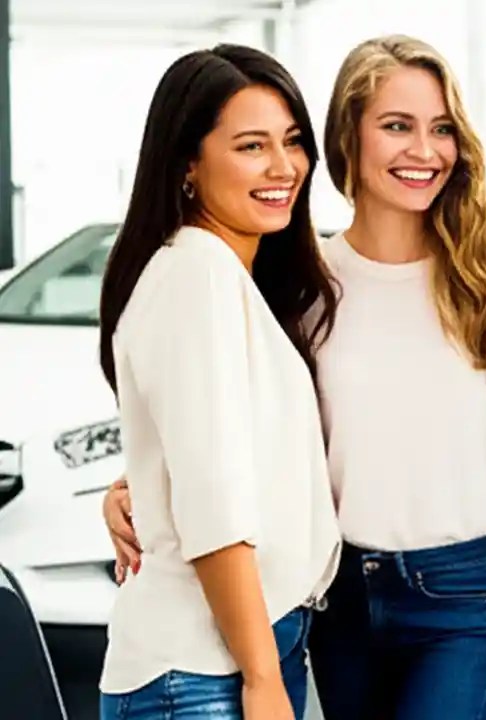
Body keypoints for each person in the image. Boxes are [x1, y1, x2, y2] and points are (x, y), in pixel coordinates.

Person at [102, 35, 486, 720]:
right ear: (349, 138)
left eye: (442, 128)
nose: (424, 151)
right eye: (396, 126)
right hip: (340, 600)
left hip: (463, 593)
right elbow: (216, 450)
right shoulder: (299, 289)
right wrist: (142, 491)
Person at [95, 44, 341, 719]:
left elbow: (213, 455)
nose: (284, 167)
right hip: (207, 672)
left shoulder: (219, 275)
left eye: (293, 141)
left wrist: (131, 488)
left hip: (229, 657)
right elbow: (214, 502)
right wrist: (261, 678)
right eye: (251, 145)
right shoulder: (196, 274)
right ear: (187, 167)